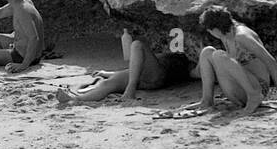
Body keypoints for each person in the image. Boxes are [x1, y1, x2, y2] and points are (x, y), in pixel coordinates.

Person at [56, 28, 191, 106]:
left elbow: (194, 71)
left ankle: (130, 91)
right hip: (146, 76)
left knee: (137, 45)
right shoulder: (167, 48)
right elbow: (136, 66)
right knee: (108, 83)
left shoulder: (184, 56)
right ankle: (76, 99)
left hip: (157, 75)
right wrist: (107, 73)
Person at [193, 5, 277, 114]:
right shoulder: (226, 35)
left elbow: (270, 61)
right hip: (239, 88)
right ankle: (207, 101)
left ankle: (253, 96)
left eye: (210, 30)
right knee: (207, 52)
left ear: (216, 29)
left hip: (258, 87)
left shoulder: (242, 36)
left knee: (219, 55)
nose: (210, 33)